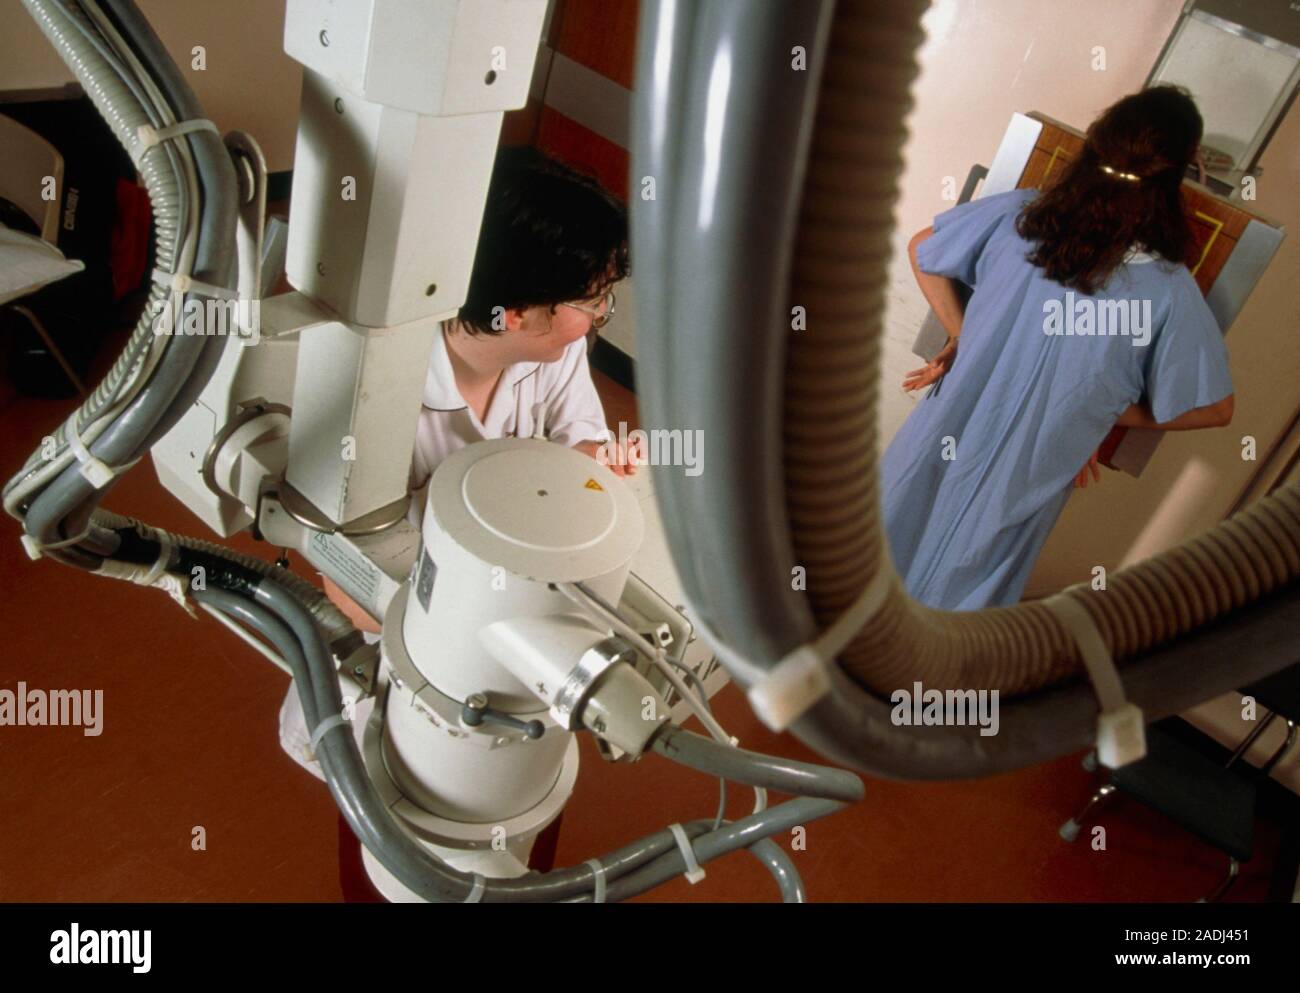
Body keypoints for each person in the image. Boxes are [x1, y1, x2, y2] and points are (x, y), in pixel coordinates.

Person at [276, 147, 637, 889]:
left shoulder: (554, 349)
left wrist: (600, 462)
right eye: (590, 299)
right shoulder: (376, 383)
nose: (598, 315)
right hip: (404, 652)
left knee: (523, 816)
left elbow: (579, 442)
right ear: (515, 311)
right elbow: (332, 552)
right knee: (405, 848)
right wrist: (443, 643)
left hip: (522, 646)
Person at [882, 86, 1234, 611]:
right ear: (1176, 178)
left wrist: (963, 335)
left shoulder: (1019, 218)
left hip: (945, 438)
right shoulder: (1167, 289)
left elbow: (921, 249)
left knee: (876, 570)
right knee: (959, 619)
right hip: (1027, 473)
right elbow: (1214, 408)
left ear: (1094, 147)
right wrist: (1098, 414)